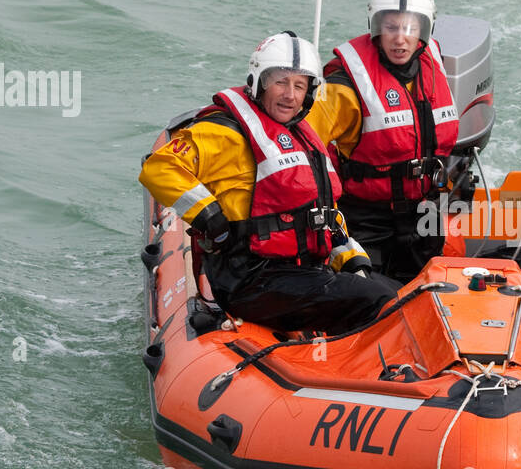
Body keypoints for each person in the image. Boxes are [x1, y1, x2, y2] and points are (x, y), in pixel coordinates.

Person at [139, 31, 395, 334]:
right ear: (260, 82)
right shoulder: (224, 132)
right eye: (281, 82)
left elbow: (323, 213)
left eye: (300, 86)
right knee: (377, 299)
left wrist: (350, 259)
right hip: (251, 279)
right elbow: (159, 168)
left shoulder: (301, 135)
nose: (290, 94)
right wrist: (209, 215)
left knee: (398, 293)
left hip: (299, 272)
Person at [308, 0, 460, 282]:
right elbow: (306, 146)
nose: (400, 38)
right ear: (376, 27)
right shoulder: (345, 85)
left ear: (424, 31)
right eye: (390, 27)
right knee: (370, 297)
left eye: (410, 28)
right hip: (366, 218)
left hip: (424, 211)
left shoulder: (433, 64)